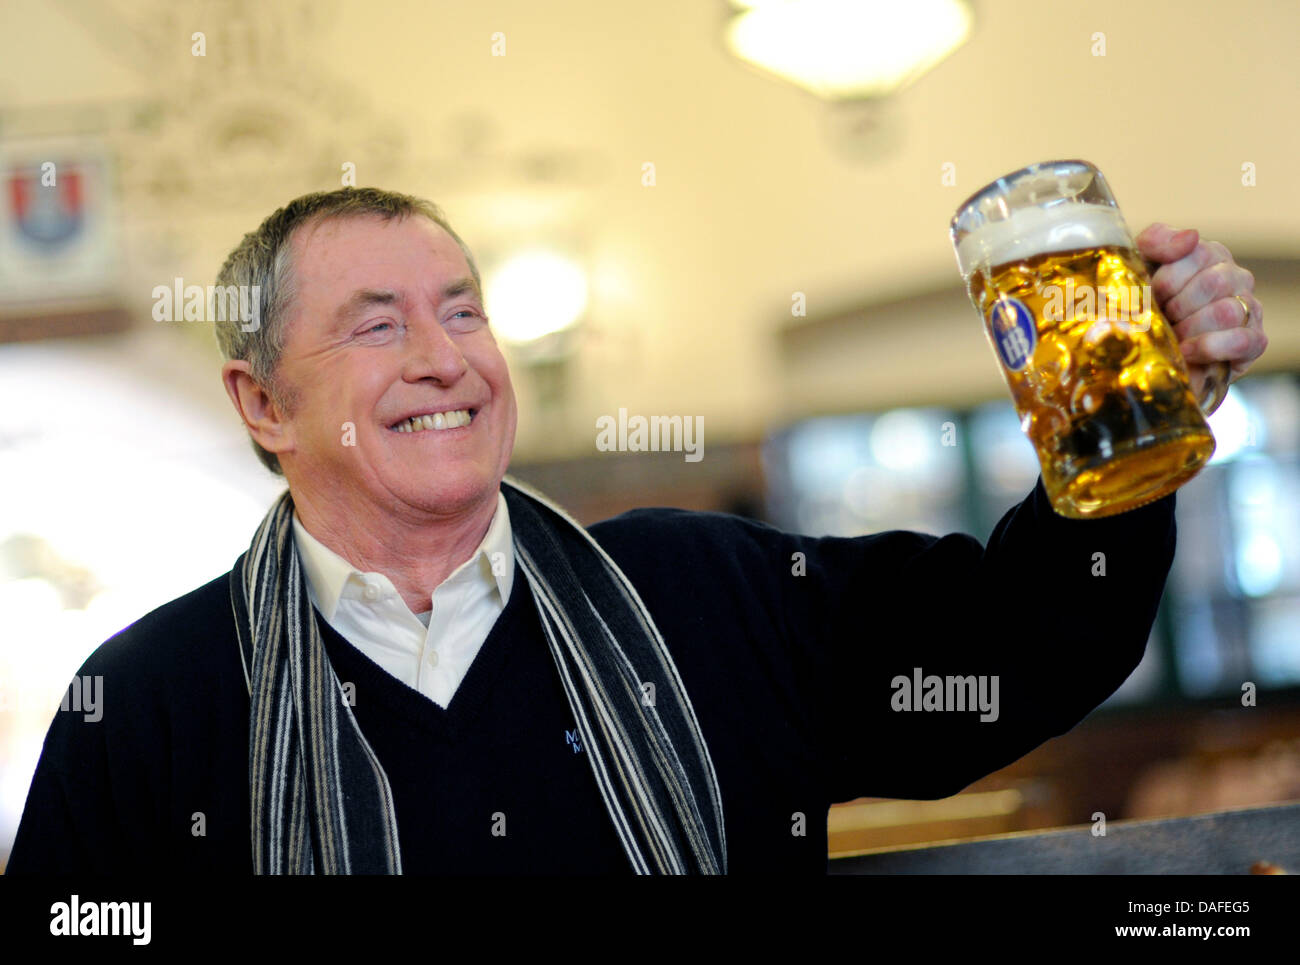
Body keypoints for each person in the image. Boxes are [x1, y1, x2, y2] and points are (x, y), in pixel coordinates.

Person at [5, 188, 1267, 875]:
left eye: (464, 309)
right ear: (263, 402)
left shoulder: (703, 593)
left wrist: (1128, 409)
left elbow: (1016, 649)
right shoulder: (148, 706)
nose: (445, 359)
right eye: (378, 324)